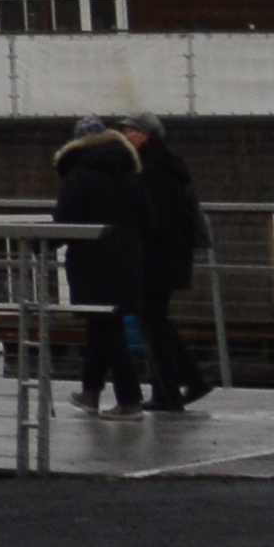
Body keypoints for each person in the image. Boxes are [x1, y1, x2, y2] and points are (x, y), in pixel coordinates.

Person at [49, 114, 148, 409]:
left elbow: (65, 223)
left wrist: (40, 243)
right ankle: (90, 390)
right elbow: (148, 220)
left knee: (106, 328)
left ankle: (129, 399)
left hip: (91, 265)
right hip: (127, 260)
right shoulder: (131, 174)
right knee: (102, 324)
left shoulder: (79, 177)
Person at [128, 116, 209, 412]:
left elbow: (154, 218)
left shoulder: (152, 170)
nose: (126, 135)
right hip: (170, 256)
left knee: (152, 323)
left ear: (146, 136)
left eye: (131, 131)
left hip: (155, 258)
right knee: (154, 322)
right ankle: (169, 391)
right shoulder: (168, 165)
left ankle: (184, 383)